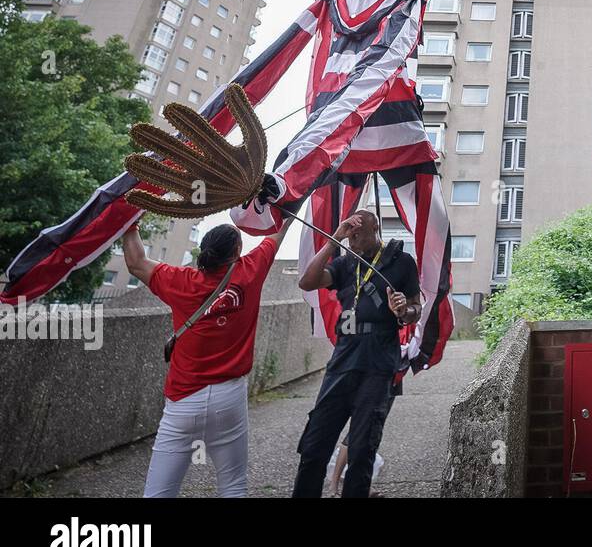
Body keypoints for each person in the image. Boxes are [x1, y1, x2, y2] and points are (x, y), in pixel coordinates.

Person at [123, 218, 290, 497]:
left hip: (183, 400)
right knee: (233, 484)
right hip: (230, 397)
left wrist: (129, 225)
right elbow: (278, 232)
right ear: (237, 252)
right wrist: (286, 197)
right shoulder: (250, 271)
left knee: (159, 492)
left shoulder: (180, 281)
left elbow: (136, 262)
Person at [292, 210, 420, 498]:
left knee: (362, 448)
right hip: (343, 358)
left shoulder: (402, 262)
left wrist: (403, 310)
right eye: (349, 234)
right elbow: (308, 281)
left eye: (358, 233)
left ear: (376, 231)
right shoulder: (346, 263)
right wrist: (333, 239)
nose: (353, 238)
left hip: (378, 360)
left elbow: (415, 309)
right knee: (315, 443)